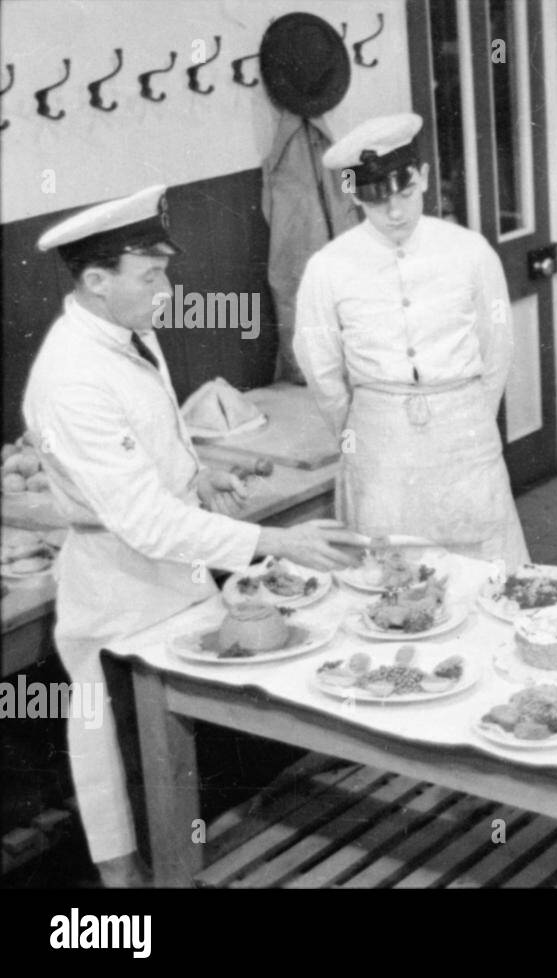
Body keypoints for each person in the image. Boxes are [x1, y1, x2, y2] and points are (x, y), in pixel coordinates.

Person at [22, 184, 360, 886]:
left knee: (187, 770)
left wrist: (197, 473)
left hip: (170, 582)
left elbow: (151, 444)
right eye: (151, 275)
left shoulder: (126, 330)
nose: (167, 289)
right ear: (95, 281)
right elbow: (140, 518)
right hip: (122, 599)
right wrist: (274, 543)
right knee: (138, 775)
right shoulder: (70, 377)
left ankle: (199, 863)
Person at [295, 113, 529, 566]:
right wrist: (363, 422)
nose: (396, 212)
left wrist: (469, 412)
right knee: (389, 569)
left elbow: (497, 347)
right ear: (357, 196)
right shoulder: (329, 267)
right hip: (380, 438)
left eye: (405, 193)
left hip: (462, 427)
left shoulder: (469, 251)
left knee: (483, 564)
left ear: (423, 177)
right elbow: (319, 365)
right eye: (378, 202)